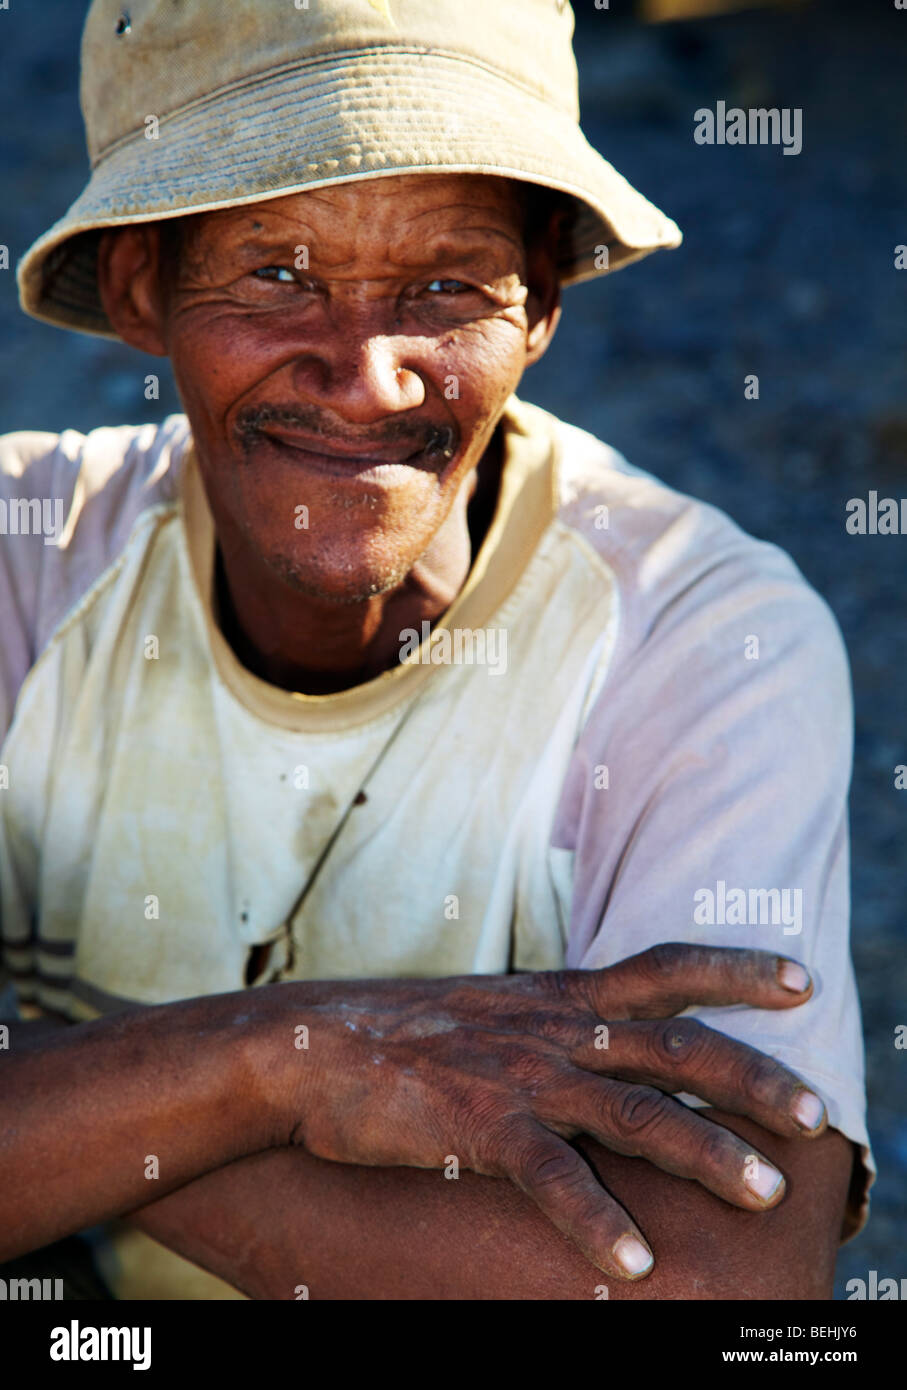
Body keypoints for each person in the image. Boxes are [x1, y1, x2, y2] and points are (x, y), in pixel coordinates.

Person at [0, 0, 871, 1300]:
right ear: (143, 287)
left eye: (446, 285)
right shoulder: (30, 562)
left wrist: (89, 1108)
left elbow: (720, 1276)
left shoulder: (702, 641)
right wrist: (285, 1062)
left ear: (543, 308)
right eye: (279, 274)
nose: (370, 374)